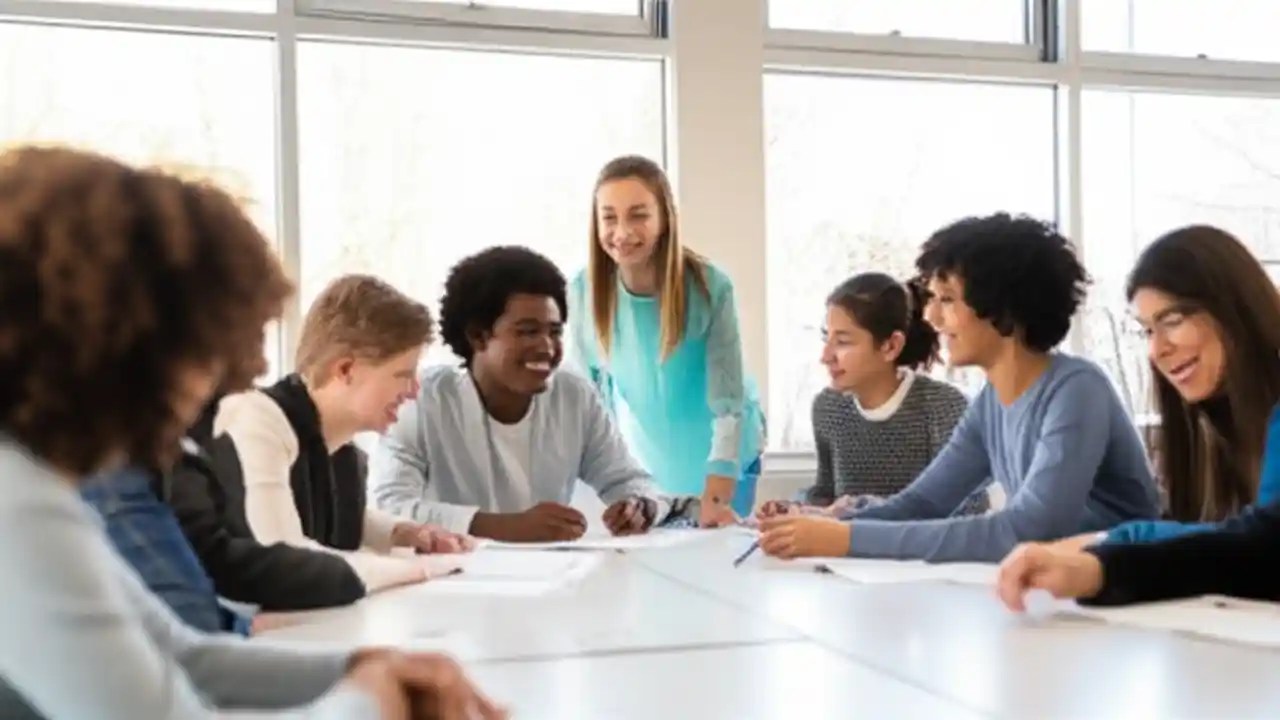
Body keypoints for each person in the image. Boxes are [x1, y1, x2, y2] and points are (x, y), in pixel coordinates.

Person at [0, 145, 502, 719]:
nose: (228, 379)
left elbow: (184, 656)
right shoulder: (17, 505)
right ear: (124, 344)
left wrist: (358, 668)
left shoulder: (38, 485)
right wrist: (371, 703)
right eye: (204, 353)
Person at [758, 213, 1159, 563]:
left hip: (1132, 594)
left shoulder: (1077, 390)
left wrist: (847, 538)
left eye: (947, 299)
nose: (931, 316)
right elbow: (923, 503)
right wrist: (818, 523)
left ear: (1001, 308)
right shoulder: (989, 403)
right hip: (1058, 590)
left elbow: (1030, 529)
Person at [372, 246, 697, 541]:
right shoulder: (423, 399)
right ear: (478, 337)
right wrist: (502, 526)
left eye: (554, 332)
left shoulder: (573, 396)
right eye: (527, 332)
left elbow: (628, 480)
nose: (546, 347)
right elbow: (389, 508)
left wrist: (639, 506)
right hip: (449, 585)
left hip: (550, 583)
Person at [211, 275, 473, 596]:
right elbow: (286, 556)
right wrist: (420, 570)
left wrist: (401, 533)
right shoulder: (257, 420)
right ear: (346, 370)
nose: (414, 391)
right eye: (403, 375)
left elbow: (318, 507)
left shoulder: (341, 452)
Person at [1055, 226, 1280, 549]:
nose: (1157, 350)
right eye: (1147, 331)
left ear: (1233, 310)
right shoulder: (1207, 429)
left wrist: (1114, 542)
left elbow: (1263, 544)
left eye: (1172, 321)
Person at [569, 155, 765, 523]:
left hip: (727, 455)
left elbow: (729, 402)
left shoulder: (710, 287)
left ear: (664, 218)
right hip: (654, 460)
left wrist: (719, 488)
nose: (622, 232)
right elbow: (591, 401)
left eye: (638, 214)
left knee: (717, 564)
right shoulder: (582, 293)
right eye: (609, 217)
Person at [757, 273, 987, 519]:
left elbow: (969, 509)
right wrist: (795, 509)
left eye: (843, 342)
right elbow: (825, 495)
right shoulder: (828, 408)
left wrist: (862, 511)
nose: (826, 356)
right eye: (827, 338)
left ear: (890, 346)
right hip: (847, 555)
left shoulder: (943, 408)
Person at [997, 502, 1280, 608]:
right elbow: (1255, 543)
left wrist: (1108, 549)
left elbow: (1033, 521)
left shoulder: (1079, 388)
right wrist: (1098, 568)